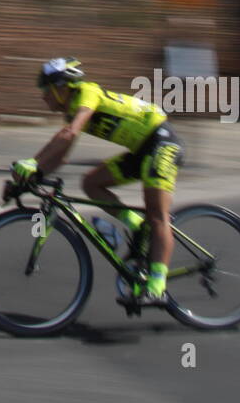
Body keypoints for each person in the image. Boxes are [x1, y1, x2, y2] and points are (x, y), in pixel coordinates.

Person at [10, 57, 184, 304]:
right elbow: (61, 157)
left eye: (46, 90)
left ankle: (157, 287)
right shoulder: (72, 108)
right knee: (91, 183)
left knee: (157, 215)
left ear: (62, 88)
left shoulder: (87, 93)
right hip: (141, 149)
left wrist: (33, 162)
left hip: (162, 142)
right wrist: (29, 178)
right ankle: (137, 225)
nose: (43, 96)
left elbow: (70, 133)